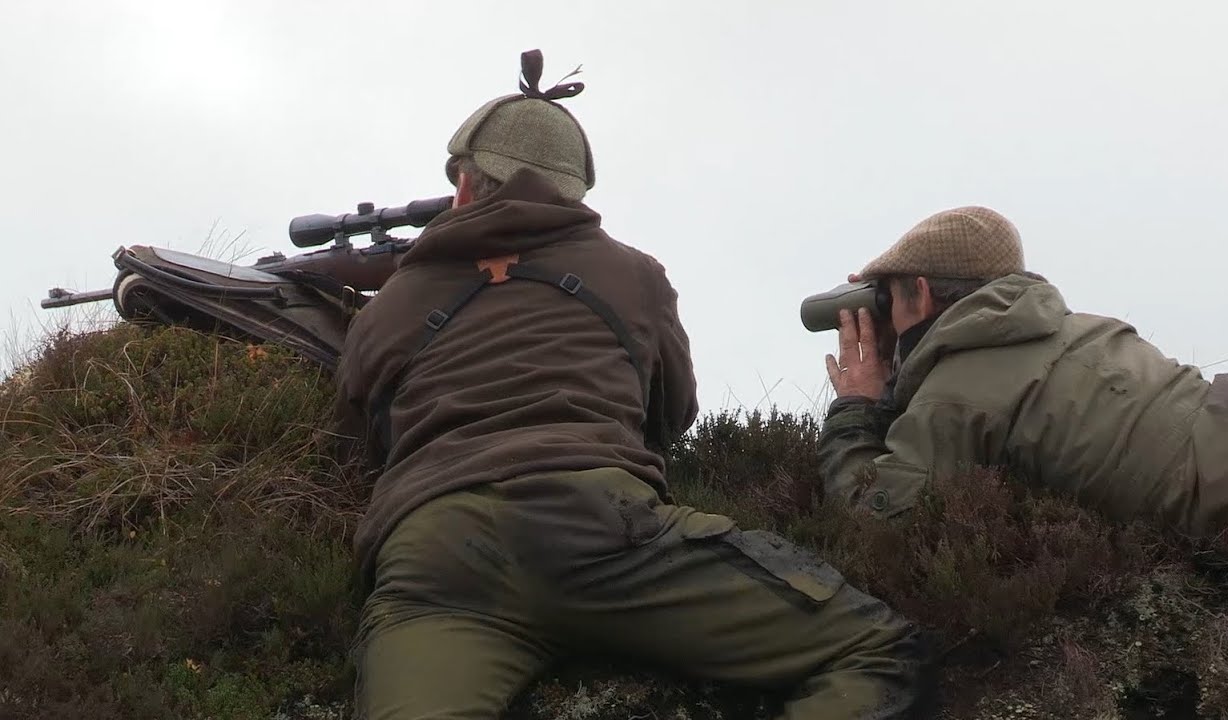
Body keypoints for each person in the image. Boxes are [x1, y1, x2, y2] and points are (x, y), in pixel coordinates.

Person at [331, 49, 930, 720]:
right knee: (876, 650)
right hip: (598, 525)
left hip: (435, 556)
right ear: (573, 194)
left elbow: (361, 440)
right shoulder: (633, 274)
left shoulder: (389, 304)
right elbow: (672, 413)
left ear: (464, 186)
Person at [817, 205, 1228, 546]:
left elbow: (876, 525)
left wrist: (858, 406)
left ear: (920, 294)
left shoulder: (952, 399)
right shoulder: (1085, 328)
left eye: (887, 298)